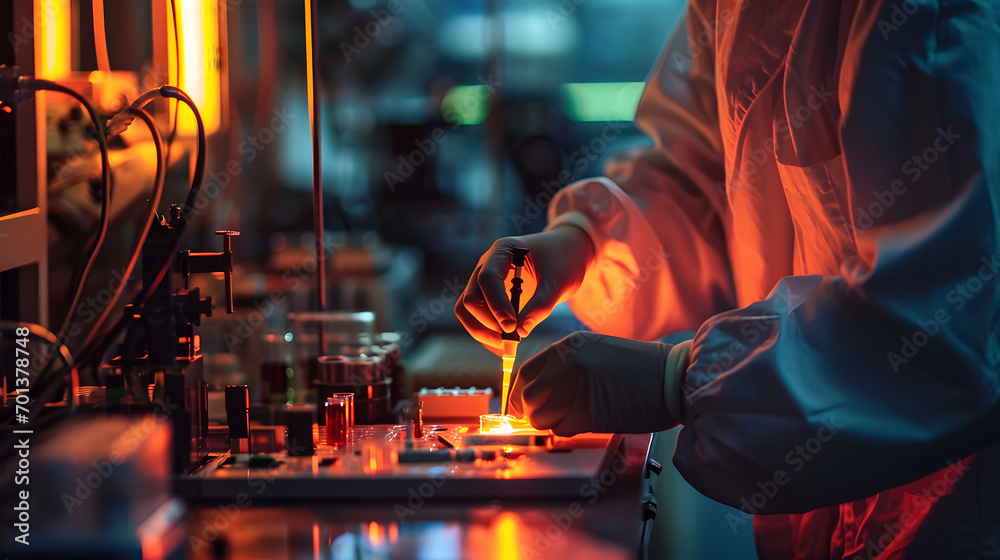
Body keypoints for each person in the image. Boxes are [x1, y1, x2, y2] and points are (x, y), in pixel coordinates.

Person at [454, 0, 1000, 557]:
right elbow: (706, 187)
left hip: (946, 511)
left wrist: (679, 380)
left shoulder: (923, 14)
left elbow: (946, 323)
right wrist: (585, 245)